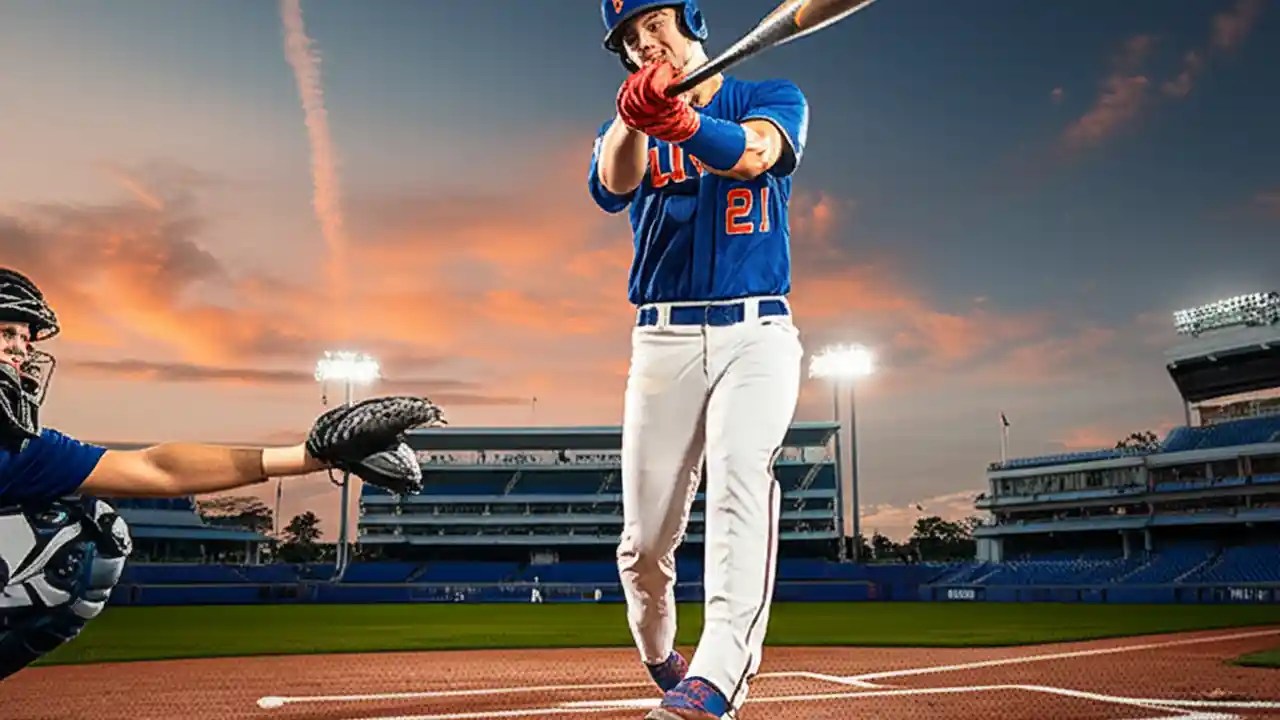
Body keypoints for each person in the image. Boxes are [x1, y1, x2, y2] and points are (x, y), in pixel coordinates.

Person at [0, 267, 436, 681]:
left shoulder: (24, 450)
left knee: (90, 532)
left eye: (24, 337)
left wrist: (310, 455)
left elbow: (156, 468)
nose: (21, 350)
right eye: (6, 333)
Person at [588, 2, 809, 718]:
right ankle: (659, 651)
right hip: (662, 339)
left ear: (692, 20)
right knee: (645, 544)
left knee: (744, 476)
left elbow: (754, 154)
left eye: (656, 24)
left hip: (758, 332)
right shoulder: (624, 119)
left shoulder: (772, 97)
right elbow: (613, 185)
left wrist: (681, 122)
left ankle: (717, 675)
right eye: (631, 38)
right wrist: (633, 117)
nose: (647, 43)